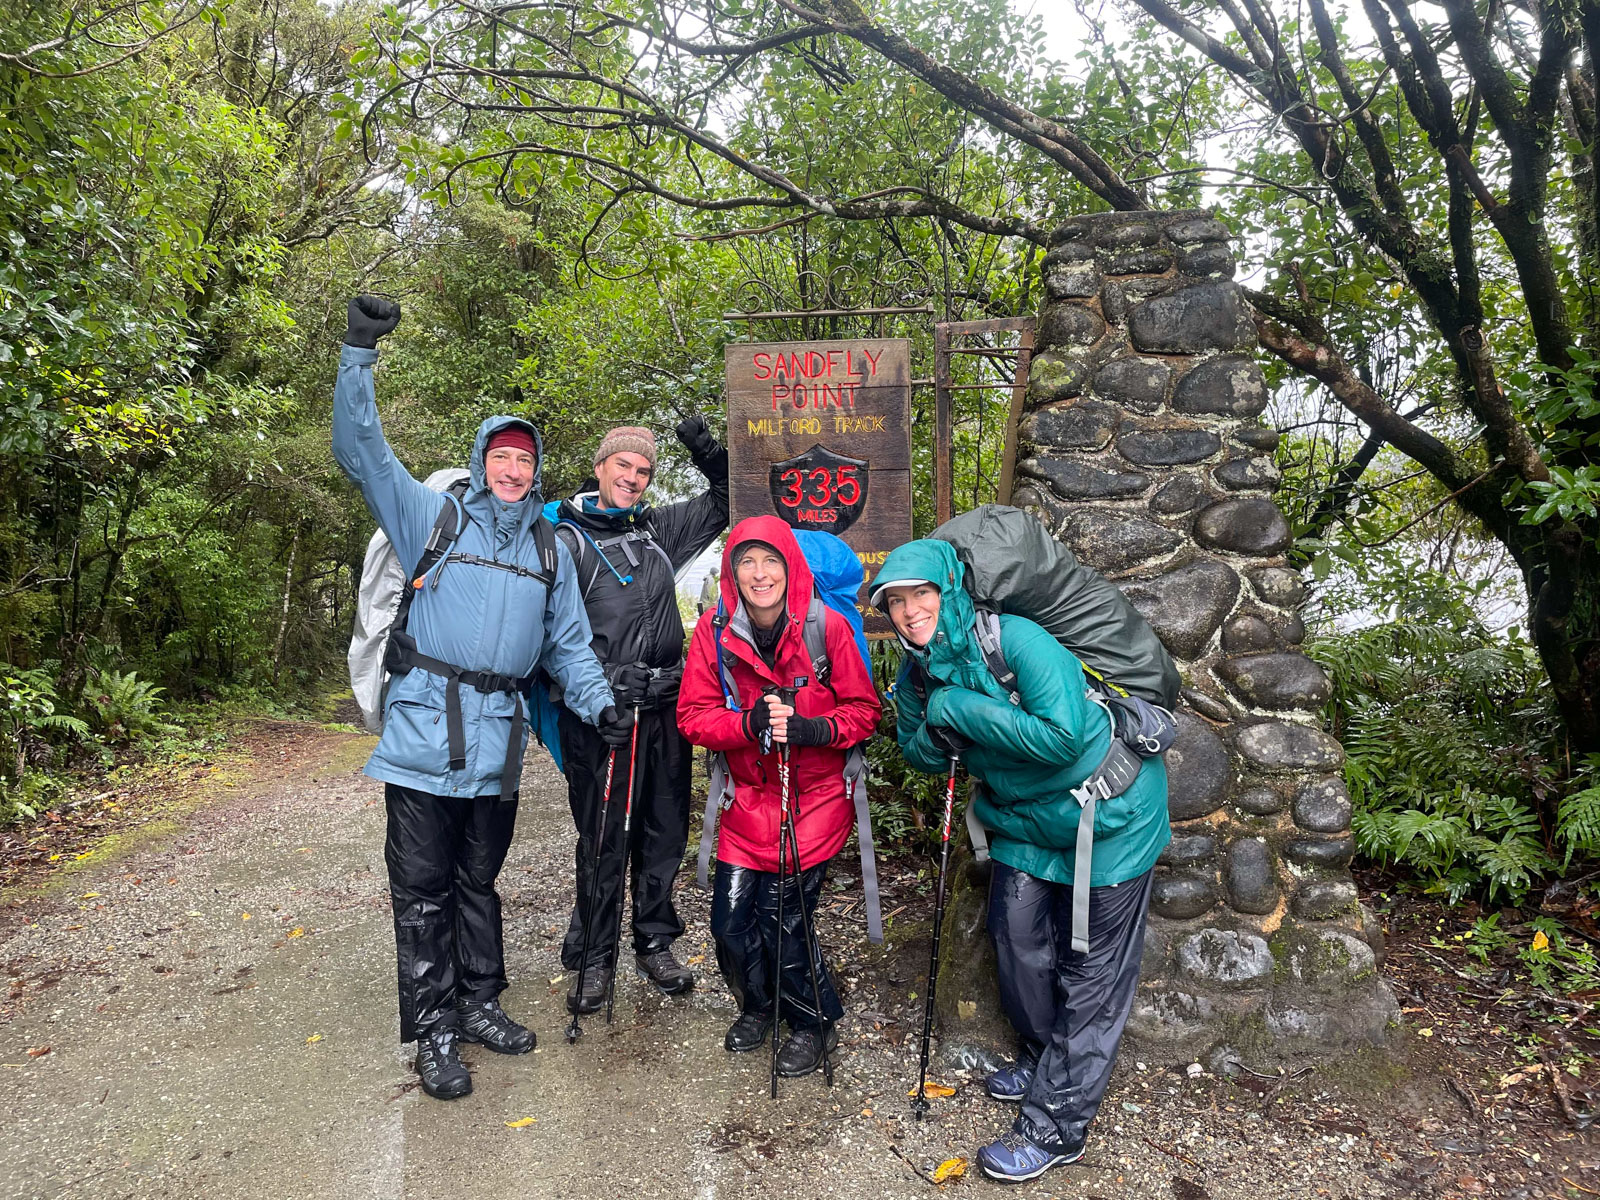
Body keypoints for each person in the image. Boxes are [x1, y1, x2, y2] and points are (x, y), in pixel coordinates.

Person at [332, 295, 633, 1101]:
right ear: (481, 460)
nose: (513, 470)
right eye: (501, 457)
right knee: (422, 890)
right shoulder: (431, 517)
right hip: (425, 733)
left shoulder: (547, 548)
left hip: (497, 740)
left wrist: (599, 703)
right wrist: (359, 352)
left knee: (477, 881)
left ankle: (478, 1002)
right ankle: (433, 1030)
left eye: (524, 461)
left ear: (537, 472)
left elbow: (568, 643)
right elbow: (362, 450)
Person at [875, 538, 1169, 1183]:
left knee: (1091, 976)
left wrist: (960, 711)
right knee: (1017, 943)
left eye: (922, 594)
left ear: (950, 591)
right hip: (1024, 823)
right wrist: (937, 727)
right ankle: (1041, 1056)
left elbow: (1063, 737)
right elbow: (918, 753)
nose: (911, 610)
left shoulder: (1017, 640)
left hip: (1111, 816)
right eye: (896, 601)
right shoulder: (917, 672)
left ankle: (1056, 1127)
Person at [676, 517, 881, 1076]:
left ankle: (813, 1021)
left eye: (771, 560)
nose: (760, 573)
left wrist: (812, 729)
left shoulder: (827, 627)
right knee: (727, 922)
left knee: (782, 916)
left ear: (789, 565)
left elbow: (864, 712)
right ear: (731, 571)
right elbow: (693, 716)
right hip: (746, 801)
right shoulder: (712, 634)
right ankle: (758, 1005)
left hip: (813, 800)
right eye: (747, 561)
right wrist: (746, 725)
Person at [551, 420, 729, 1013]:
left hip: (666, 707)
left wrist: (701, 447)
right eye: (622, 466)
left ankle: (654, 941)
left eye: (643, 470)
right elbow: (551, 636)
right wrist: (598, 694)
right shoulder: (564, 539)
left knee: (662, 832)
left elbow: (727, 497)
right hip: (602, 716)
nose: (632, 478)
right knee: (603, 837)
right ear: (599, 467)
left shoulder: (656, 530)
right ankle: (596, 955)